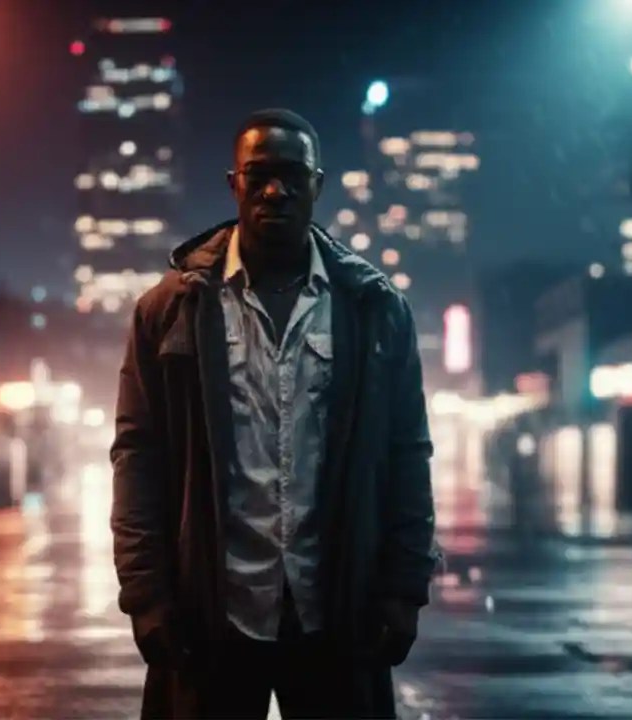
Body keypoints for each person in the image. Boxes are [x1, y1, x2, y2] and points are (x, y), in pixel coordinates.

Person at [110, 108, 437, 719]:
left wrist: (403, 590)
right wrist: (146, 595)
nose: (274, 190)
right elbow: (138, 458)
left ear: (318, 183)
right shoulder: (169, 311)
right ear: (233, 182)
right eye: (258, 175)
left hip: (337, 609)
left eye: (291, 175)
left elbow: (406, 454)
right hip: (211, 612)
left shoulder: (375, 310)